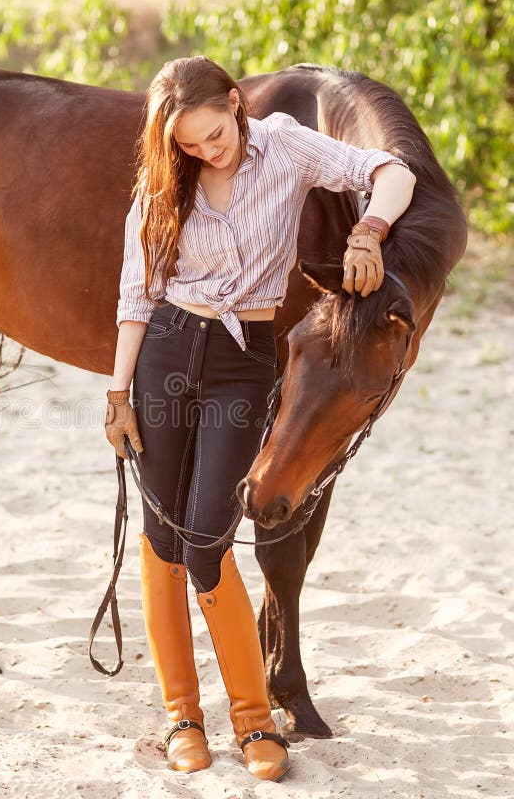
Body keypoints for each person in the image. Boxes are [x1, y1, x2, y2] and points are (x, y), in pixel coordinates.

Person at [104, 56, 415, 781]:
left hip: (245, 360)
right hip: (167, 351)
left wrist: (368, 231)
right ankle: (183, 714)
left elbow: (390, 170)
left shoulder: (285, 143)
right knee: (162, 536)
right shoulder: (163, 183)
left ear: (236, 105)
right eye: (189, 145)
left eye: (214, 134)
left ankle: (253, 720)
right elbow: (133, 298)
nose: (207, 152)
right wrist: (117, 396)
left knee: (209, 538)